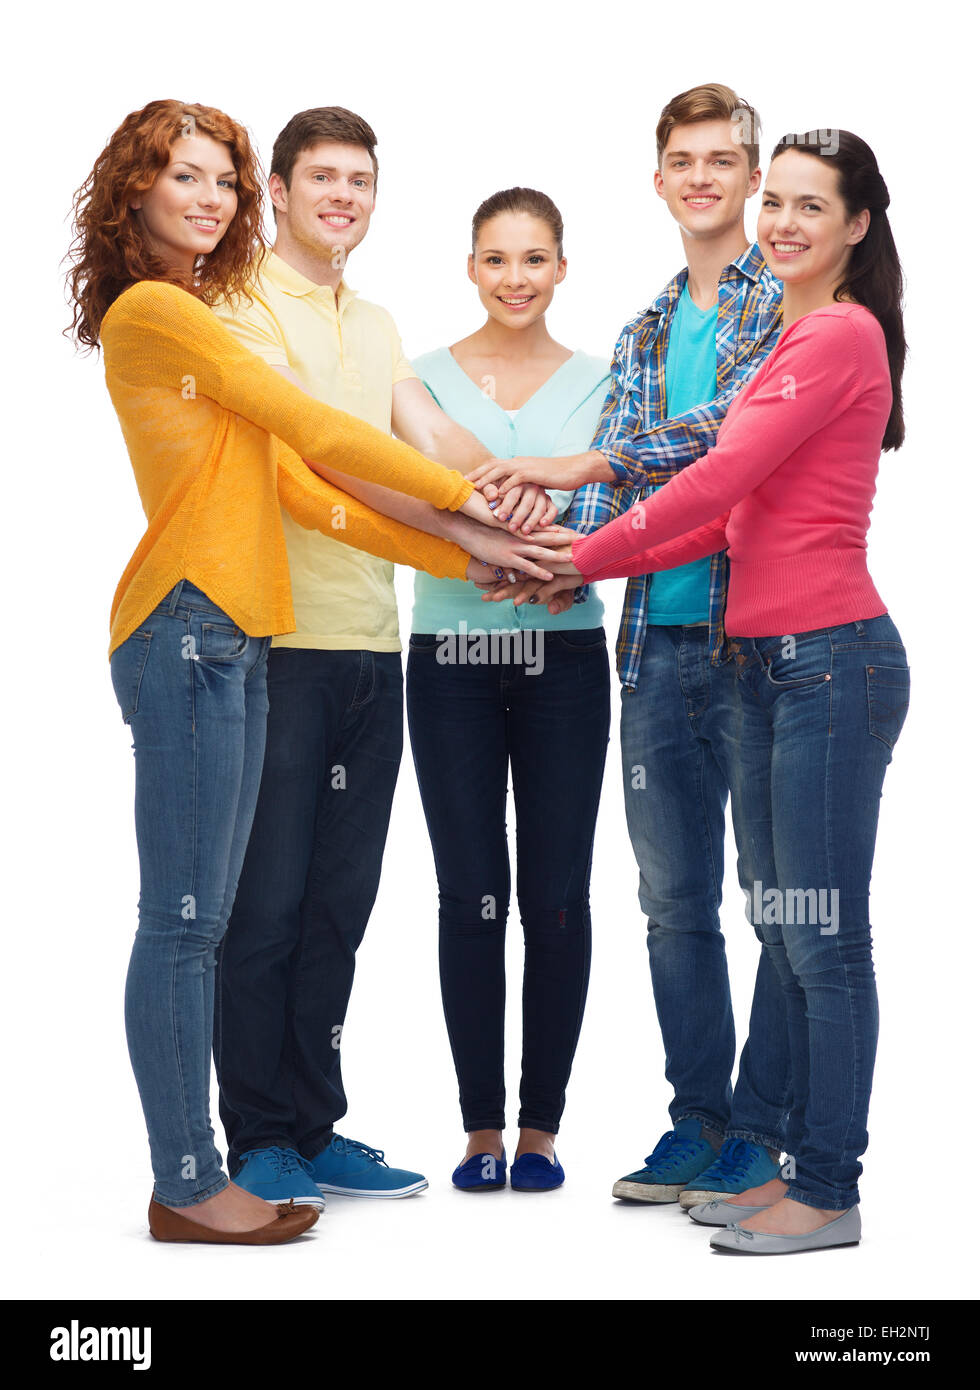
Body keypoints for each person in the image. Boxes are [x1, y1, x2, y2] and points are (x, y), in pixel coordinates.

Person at [67, 99, 557, 1244]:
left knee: (226, 912)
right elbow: (316, 426)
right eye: (182, 177)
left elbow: (306, 489)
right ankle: (190, 1181)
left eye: (219, 183)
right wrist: (474, 499)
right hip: (185, 626)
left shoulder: (198, 317)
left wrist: (464, 552)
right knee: (187, 923)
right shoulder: (163, 313)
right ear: (133, 193)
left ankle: (235, 1159)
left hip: (235, 632)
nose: (208, 199)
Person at [520, 128, 911, 1253]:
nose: (780, 221)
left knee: (822, 940)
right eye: (773, 201)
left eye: (806, 205)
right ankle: (782, 1158)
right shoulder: (795, 332)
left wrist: (573, 552)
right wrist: (575, 563)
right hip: (775, 666)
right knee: (789, 933)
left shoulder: (835, 331)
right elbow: (712, 514)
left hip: (829, 663)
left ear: (854, 226)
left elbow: (718, 473)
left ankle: (826, 1188)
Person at [210, 110, 559, 1207]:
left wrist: (510, 503)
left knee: (335, 906)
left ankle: (313, 1127)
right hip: (275, 637)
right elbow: (321, 455)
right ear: (274, 188)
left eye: (359, 181)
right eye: (321, 178)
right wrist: (468, 531)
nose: (342, 198)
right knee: (263, 905)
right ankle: (256, 1136)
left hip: (370, 643)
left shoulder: (375, 321)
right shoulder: (235, 307)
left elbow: (429, 433)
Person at [470, 83, 791, 1209]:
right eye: (681, 161)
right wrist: (540, 556)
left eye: (721, 160)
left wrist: (585, 473)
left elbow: (732, 436)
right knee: (672, 902)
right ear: (657, 181)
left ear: (752, 179)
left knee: (775, 897)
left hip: (758, 640)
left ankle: (767, 1129)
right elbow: (613, 507)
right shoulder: (643, 330)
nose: (701, 177)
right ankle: (697, 1122)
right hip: (651, 646)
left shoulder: (786, 304)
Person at [406, 188, 612, 1192]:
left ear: (562, 268)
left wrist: (583, 562)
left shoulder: (604, 381)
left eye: (535, 259)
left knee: (557, 896)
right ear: (471, 268)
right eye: (496, 259)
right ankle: (478, 1128)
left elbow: (631, 506)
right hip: (448, 658)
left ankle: (541, 1128)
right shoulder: (417, 379)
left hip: (565, 659)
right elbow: (404, 499)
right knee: (468, 896)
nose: (516, 278)